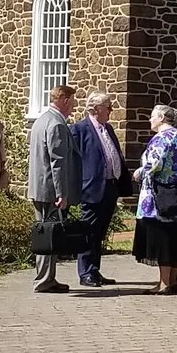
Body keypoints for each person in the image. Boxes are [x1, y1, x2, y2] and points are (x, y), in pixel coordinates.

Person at [135, 104, 177, 293]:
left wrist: (139, 172)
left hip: (159, 197)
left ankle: (164, 283)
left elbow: (155, 163)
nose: (150, 119)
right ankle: (173, 282)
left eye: (153, 116)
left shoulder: (161, 138)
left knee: (163, 239)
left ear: (161, 117)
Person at [27, 82, 80, 293]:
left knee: (45, 235)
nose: (74, 106)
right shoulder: (56, 124)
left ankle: (46, 278)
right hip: (50, 190)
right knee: (49, 236)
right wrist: (61, 193)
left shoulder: (41, 121)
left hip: (39, 187)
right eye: (72, 101)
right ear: (65, 100)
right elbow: (57, 162)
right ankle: (44, 280)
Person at [72, 92, 127, 287]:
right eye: (108, 107)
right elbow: (74, 161)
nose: (111, 110)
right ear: (96, 109)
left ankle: (94, 270)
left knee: (100, 232)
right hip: (91, 189)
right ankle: (86, 272)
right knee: (89, 231)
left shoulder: (108, 128)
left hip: (110, 187)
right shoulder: (80, 129)